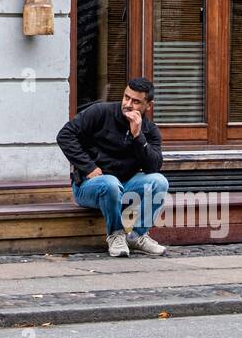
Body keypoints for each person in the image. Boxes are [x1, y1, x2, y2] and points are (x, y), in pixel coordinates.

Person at [56, 77, 169, 258]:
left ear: (148, 105)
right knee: (109, 183)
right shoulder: (100, 112)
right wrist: (88, 167)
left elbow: (153, 167)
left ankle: (137, 236)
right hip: (88, 186)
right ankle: (116, 235)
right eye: (126, 97)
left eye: (136, 101)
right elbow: (65, 135)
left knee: (159, 182)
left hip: (124, 187)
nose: (128, 104)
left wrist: (138, 136)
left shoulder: (149, 130)